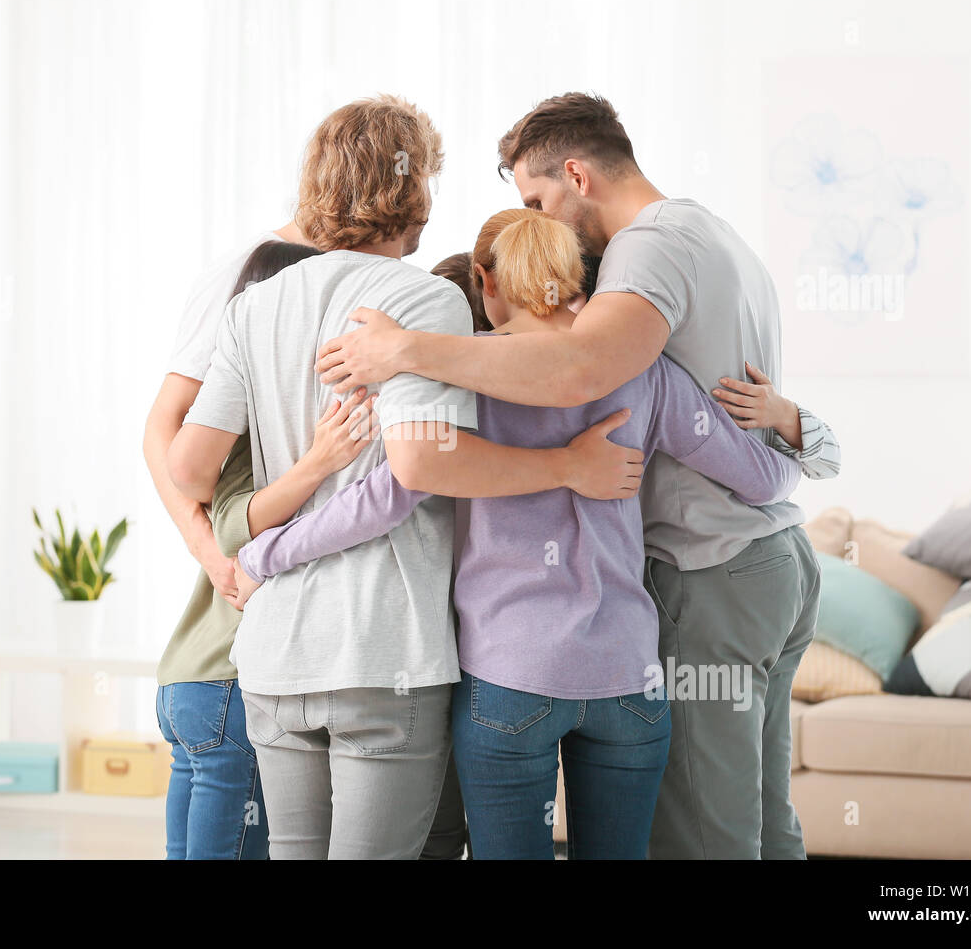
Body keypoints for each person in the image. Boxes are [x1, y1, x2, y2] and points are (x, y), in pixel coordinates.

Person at [312, 93, 841, 859]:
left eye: (537, 200)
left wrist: (408, 352)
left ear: (574, 174)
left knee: (708, 838)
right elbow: (764, 474)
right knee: (764, 817)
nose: (543, 223)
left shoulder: (643, 251)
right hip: (761, 570)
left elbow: (576, 370)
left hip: (701, 578)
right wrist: (801, 430)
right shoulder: (713, 238)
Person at [166, 96, 643, 860]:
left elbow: (189, 466)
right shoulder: (422, 301)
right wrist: (566, 467)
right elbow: (422, 464)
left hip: (275, 654)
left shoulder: (254, 307)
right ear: (413, 191)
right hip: (382, 654)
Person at [150, 240, 387, 858]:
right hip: (229, 682)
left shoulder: (236, 423)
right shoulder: (256, 435)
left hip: (188, 681)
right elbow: (234, 525)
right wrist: (318, 463)